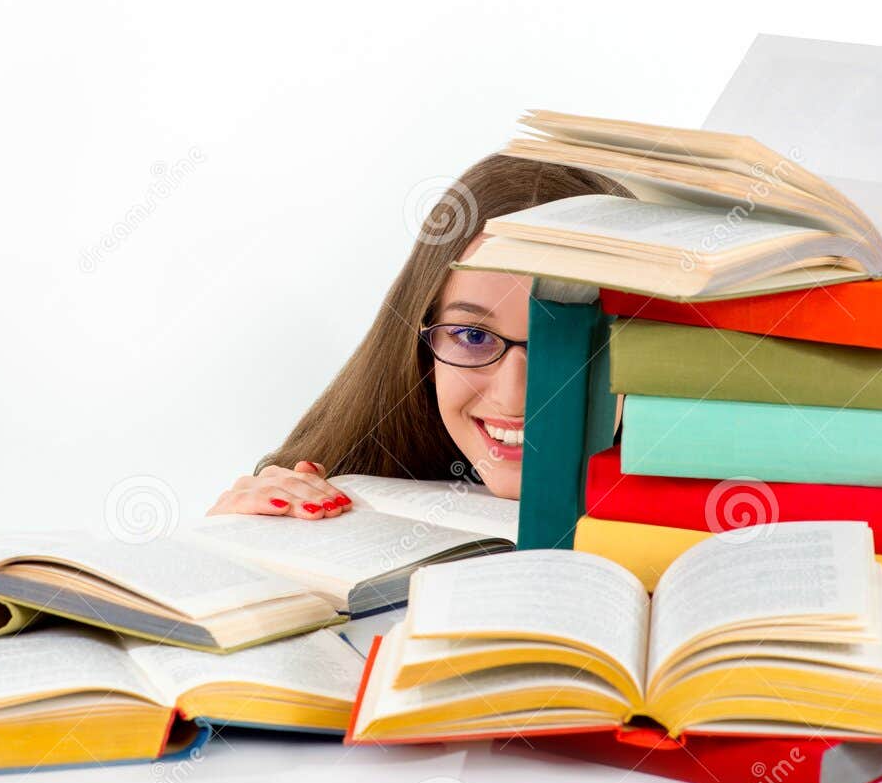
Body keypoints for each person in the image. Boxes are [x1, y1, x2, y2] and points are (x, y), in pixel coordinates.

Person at [207, 154, 625, 518]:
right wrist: (232, 542)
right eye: (473, 336)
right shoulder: (341, 486)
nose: (515, 397)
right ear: (423, 350)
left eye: (568, 341)